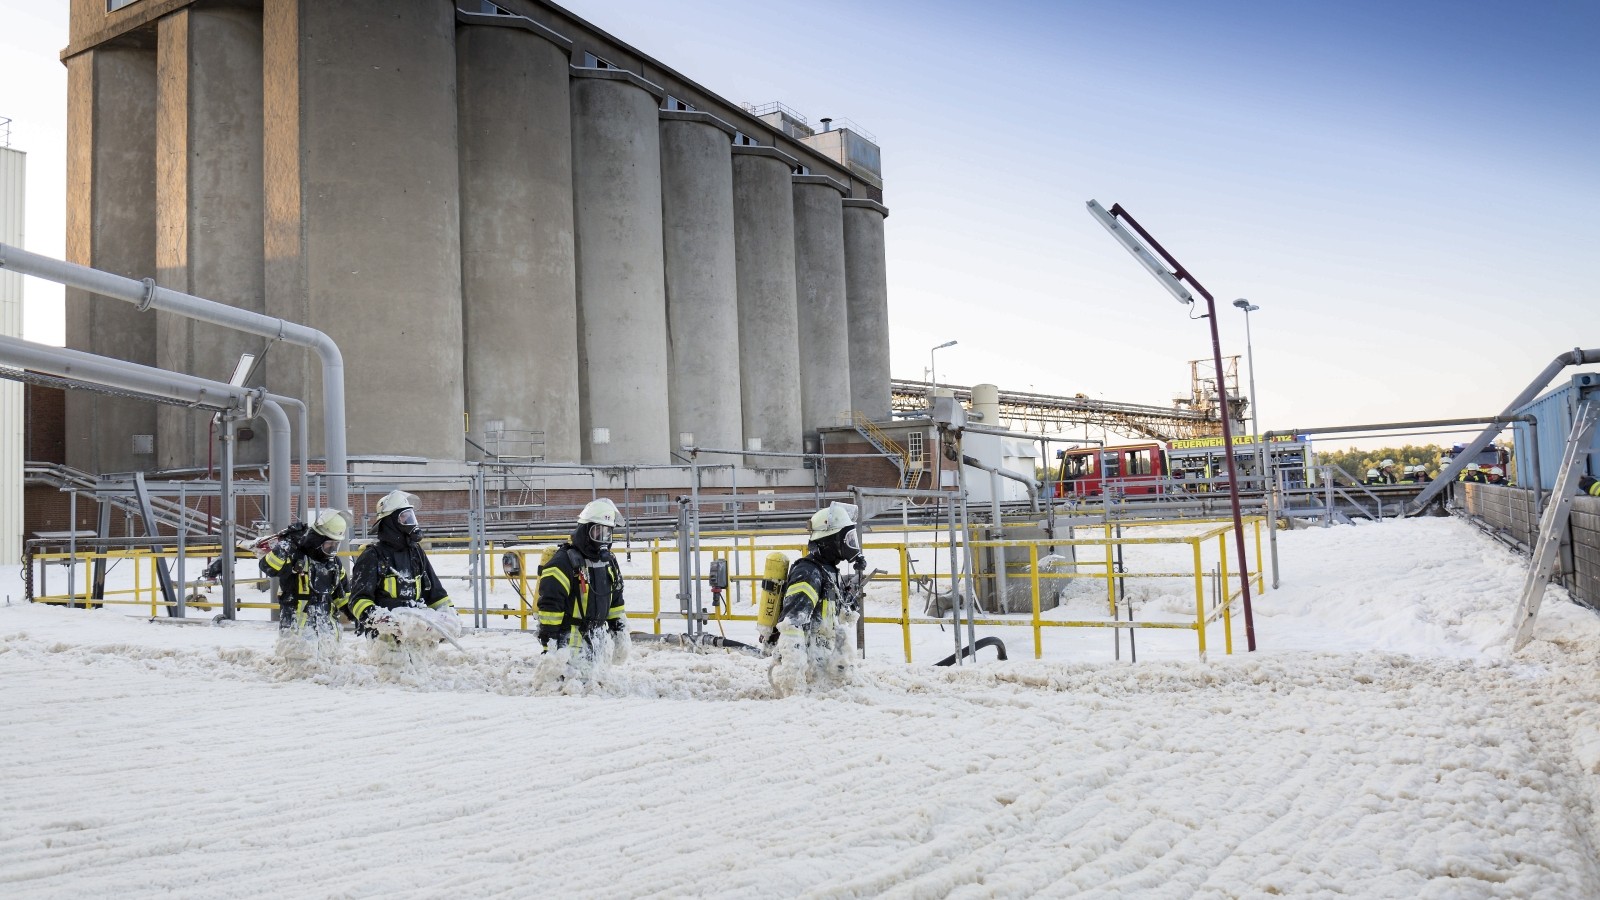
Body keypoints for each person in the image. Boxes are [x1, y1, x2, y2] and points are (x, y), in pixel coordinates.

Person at [347, 490, 454, 637]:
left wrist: (449, 615)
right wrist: (379, 618)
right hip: (385, 638)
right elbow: (357, 600)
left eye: (411, 516)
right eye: (405, 517)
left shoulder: (416, 553)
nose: (411, 522)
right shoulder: (372, 556)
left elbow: (435, 593)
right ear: (390, 522)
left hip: (417, 635)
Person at [763, 502, 864, 650]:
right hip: (808, 662)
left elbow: (836, 613)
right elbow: (791, 627)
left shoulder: (829, 571)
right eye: (847, 538)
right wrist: (793, 671)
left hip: (823, 659)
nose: (851, 544)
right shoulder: (808, 573)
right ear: (831, 539)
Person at [536, 498, 627, 658]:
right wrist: (549, 648)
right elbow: (550, 610)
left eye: (607, 533)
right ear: (585, 531)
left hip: (597, 645)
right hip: (568, 650)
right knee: (571, 683)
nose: (603, 538)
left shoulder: (608, 563)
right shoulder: (563, 563)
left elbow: (615, 602)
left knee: (595, 682)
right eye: (598, 531)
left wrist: (618, 632)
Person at [260, 509, 350, 636]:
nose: (332, 549)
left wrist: (357, 615)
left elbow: (343, 595)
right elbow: (267, 566)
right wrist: (287, 545)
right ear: (318, 540)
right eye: (329, 544)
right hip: (297, 637)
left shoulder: (334, 563)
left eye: (336, 545)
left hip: (328, 637)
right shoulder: (294, 554)